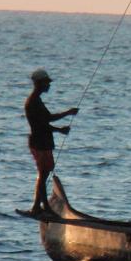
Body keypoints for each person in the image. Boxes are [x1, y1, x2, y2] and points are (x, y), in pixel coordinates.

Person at [25, 69, 78, 215]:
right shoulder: (33, 102)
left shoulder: (37, 101)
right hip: (39, 143)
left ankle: (37, 206)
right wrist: (61, 128)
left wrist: (67, 114)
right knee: (43, 175)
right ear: (38, 83)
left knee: (44, 174)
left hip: (43, 142)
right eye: (46, 82)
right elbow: (42, 124)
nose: (48, 85)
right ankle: (43, 208)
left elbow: (47, 119)